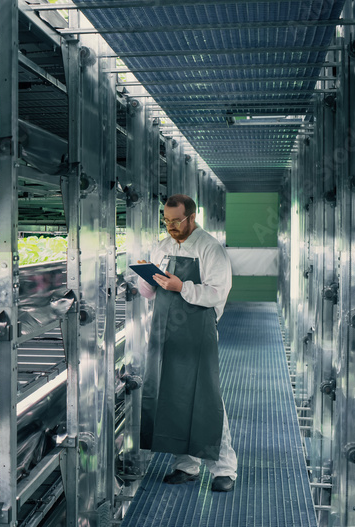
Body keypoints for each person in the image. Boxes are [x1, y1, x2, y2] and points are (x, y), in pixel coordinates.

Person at [136, 194, 237, 493]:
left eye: (176, 221)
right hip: (165, 331)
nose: (171, 227)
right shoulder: (162, 246)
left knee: (206, 396)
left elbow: (218, 292)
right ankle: (186, 465)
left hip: (197, 330)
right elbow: (149, 294)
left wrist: (182, 287)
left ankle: (224, 469)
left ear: (192, 217)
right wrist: (146, 277)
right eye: (166, 221)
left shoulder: (210, 248)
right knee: (172, 394)